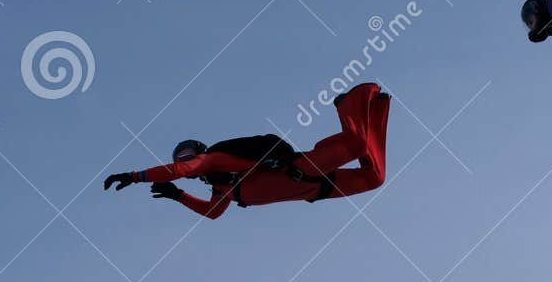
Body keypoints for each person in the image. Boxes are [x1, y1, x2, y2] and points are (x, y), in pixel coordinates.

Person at [103, 82, 390, 219]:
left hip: (302, 170)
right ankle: (373, 108)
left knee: (356, 145)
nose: (185, 162)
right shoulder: (222, 185)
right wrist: (178, 196)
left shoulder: (214, 160)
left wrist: (135, 176)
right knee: (375, 177)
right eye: (180, 157)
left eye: (188, 154)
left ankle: (352, 100)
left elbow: (180, 170)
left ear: (199, 152)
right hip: (314, 191)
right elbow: (214, 212)